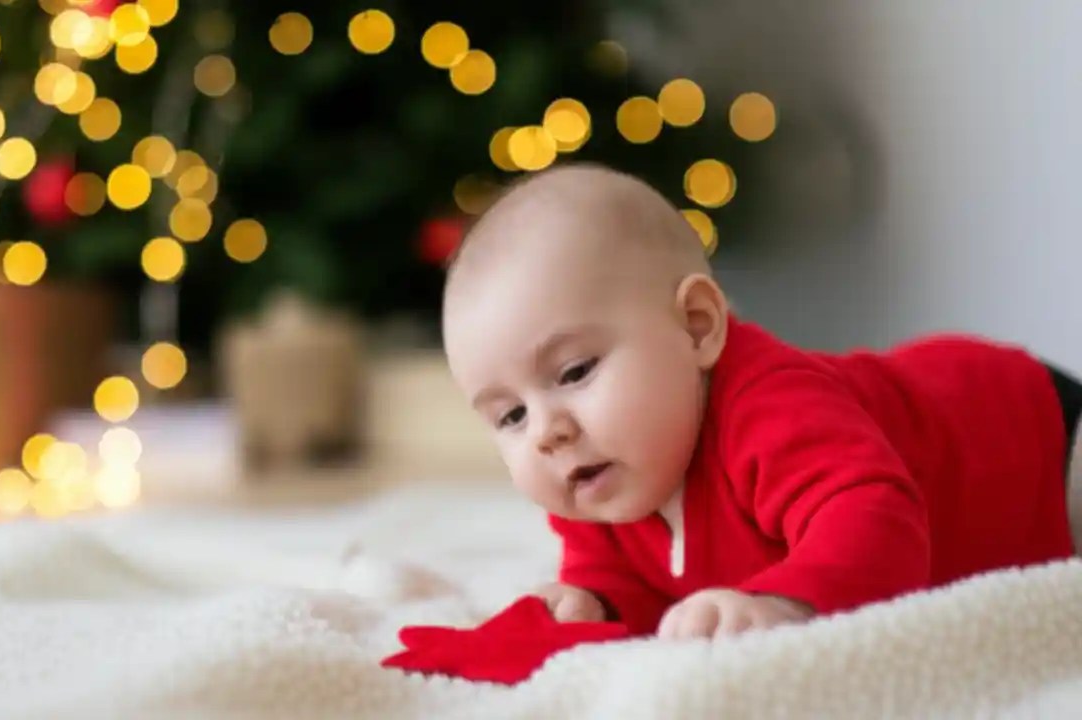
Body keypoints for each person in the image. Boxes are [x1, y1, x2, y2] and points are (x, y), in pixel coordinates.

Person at [441, 163, 1082, 640]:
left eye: (575, 370)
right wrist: (593, 604)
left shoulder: (767, 405)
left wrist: (789, 601)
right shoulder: (596, 476)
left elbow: (877, 518)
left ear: (697, 326)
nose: (546, 432)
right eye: (511, 416)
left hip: (1035, 435)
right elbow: (626, 580)